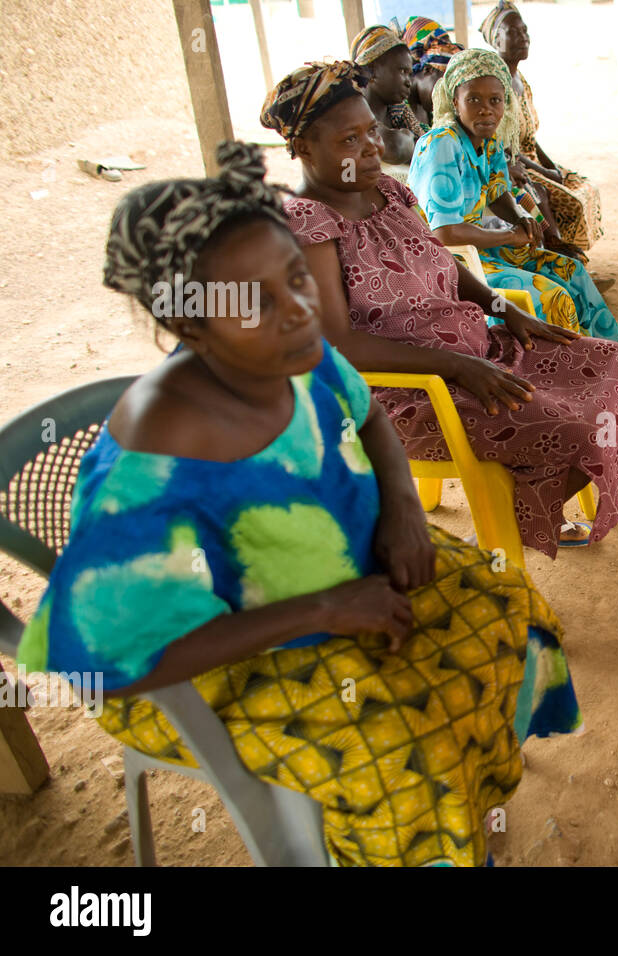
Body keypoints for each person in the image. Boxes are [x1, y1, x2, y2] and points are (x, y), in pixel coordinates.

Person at [15, 141, 583, 867]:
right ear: (192, 325)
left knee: (506, 604)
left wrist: (403, 508)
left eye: (297, 278)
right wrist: (325, 610)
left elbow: (369, 415)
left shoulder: (297, 354)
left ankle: (474, 800)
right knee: (406, 751)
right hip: (215, 660)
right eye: (257, 302)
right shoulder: (157, 461)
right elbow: (118, 657)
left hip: (340, 574)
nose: (299, 314)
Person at [261, 61, 618, 553]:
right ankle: (505, 531)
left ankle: (523, 513)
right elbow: (339, 345)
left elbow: (444, 263)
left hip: (477, 351)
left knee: (616, 364)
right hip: (412, 392)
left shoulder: (386, 193)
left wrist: (505, 309)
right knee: (574, 424)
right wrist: (457, 364)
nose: (371, 147)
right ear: (303, 149)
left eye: (371, 131)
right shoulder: (308, 227)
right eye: (350, 140)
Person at [407, 50, 618, 383]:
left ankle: (615, 352)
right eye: (474, 99)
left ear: (505, 103)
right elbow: (445, 234)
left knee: (572, 270)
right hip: (448, 264)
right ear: (455, 101)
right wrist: (509, 236)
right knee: (551, 294)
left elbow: (497, 194)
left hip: (477, 252)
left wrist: (519, 218)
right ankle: (582, 370)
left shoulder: (488, 140)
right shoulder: (442, 145)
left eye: (495, 100)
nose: (486, 109)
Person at [483, 0, 605, 255]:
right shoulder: (495, 86)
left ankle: (574, 258)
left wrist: (551, 166)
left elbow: (531, 136)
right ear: (495, 41)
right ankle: (563, 257)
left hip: (533, 160)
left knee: (586, 187)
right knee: (571, 202)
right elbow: (507, 150)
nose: (523, 38)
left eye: (524, 31)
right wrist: (545, 173)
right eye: (513, 33)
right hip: (518, 163)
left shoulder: (521, 80)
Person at [350, 25, 421, 169]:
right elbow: (395, 148)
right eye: (402, 71)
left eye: (410, 74)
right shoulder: (353, 115)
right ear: (373, 70)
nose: (409, 82)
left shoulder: (400, 112)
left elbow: (427, 151)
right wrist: (408, 136)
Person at [401, 16, 463, 130]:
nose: (448, 95)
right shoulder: (396, 115)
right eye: (444, 84)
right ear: (427, 70)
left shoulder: (431, 111)